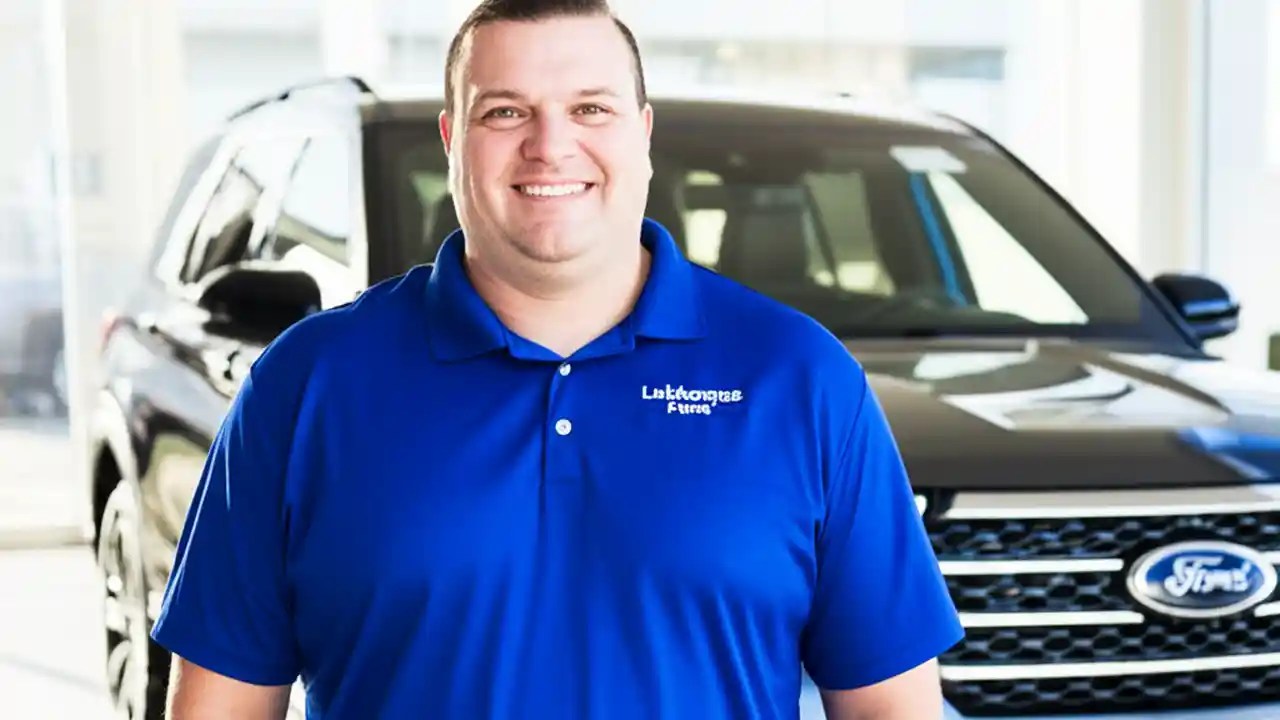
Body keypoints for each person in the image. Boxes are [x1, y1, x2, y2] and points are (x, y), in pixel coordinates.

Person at [152, 0, 964, 717]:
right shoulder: (308, 386)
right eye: (505, 112)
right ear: (453, 139)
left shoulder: (801, 381)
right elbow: (220, 706)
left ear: (642, 133)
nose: (551, 146)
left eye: (590, 109)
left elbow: (892, 708)